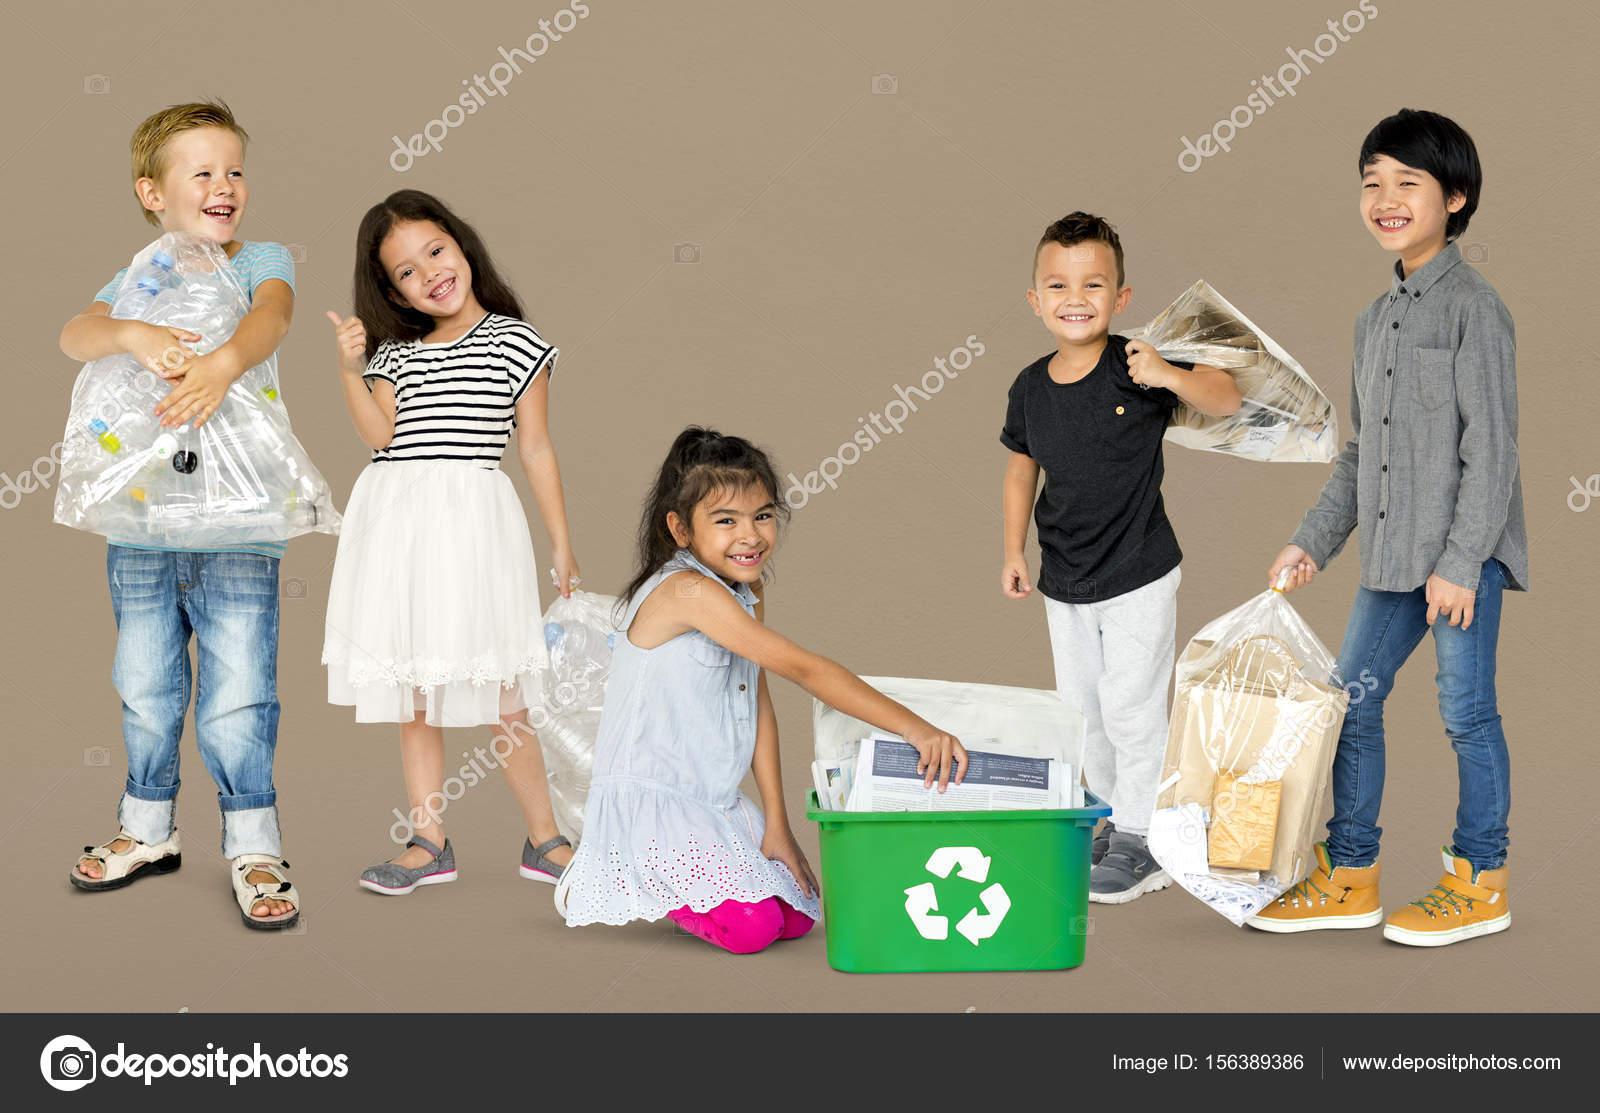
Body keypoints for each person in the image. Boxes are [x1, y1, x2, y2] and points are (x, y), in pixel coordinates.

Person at [1251, 109, 1526, 947]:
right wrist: (1311, 540)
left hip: (1457, 560)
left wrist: (1460, 560)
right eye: (1373, 182)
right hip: (1390, 558)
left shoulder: (1475, 310)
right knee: (1348, 702)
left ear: (1456, 196)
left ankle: (1479, 881)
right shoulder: (1377, 321)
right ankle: (1351, 874)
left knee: (1465, 714)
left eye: (1408, 182)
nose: (1386, 198)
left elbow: (1495, 450)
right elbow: (1359, 453)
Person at [555, 427, 968, 953]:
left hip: (712, 797)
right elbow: (807, 670)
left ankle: (699, 875)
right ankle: (611, 877)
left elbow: (757, 700)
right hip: (654, 798)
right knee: (752, 930)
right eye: (725, 521)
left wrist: (777, 825)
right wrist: (915, 727)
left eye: (763, 515)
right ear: (681, 530)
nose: (750, 536)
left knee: (796, 918)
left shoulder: (746, 588)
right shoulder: (687, 591)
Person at [61, 99, 305, 929]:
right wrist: (130, 333)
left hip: (239, 519)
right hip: (143, 522)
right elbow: (75, 334)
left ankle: (253, 840)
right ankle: (147, 827)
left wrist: (223, 365)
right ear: (151, 193)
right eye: (202, 172)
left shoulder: (256, 258)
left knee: (238, 688)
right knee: (145, 682)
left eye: (235, 169)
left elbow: (274, 314)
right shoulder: (136, 278)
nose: (224, 185)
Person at [323, 189, 581, 895]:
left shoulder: (516, 341)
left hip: (471, 528)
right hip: (397, 526)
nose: (429, 272)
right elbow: (380, 437)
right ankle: (428, 838)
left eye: (435, 250)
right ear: (392, 291)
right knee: (414, 692)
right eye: (405, 271)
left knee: (505, 694)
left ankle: (545, 838)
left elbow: (534, 448)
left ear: (461, 244)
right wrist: (349, 369)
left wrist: (561, 542)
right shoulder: (396, 356)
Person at [1000, 212, 1242, 904]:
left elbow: (1224, 399)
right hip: (1065, 579)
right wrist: (1012, 548)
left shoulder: (1135, 363)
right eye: (1058, 284)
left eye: (1093, 284)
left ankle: (1145, 836)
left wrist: (1167, 371)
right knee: (1082, 710)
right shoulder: (1029, 387)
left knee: (1133, 706)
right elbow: (1022, 470)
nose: (1076, 297)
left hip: (1138, 571)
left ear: (1121, 297)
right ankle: (1104, 820)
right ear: (1036, 300)